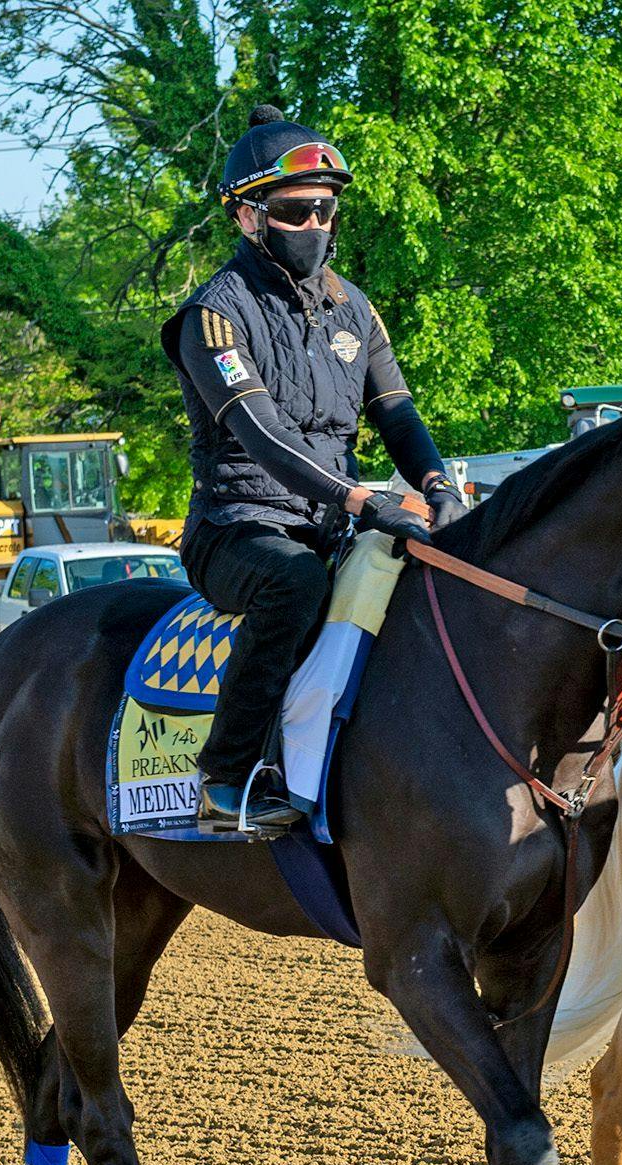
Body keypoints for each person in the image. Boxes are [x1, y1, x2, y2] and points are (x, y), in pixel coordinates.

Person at [162, 105, 464, 832]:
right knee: (295, 582)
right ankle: (224, 781)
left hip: (333, 522)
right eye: (296, 212)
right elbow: (262, 437)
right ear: (248, 218)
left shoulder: (355, 308)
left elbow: (397, 414)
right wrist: (363, 500)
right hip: (238, 529)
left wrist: (438, 488)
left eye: (326, 210)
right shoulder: (212, 316)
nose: (316, 227)